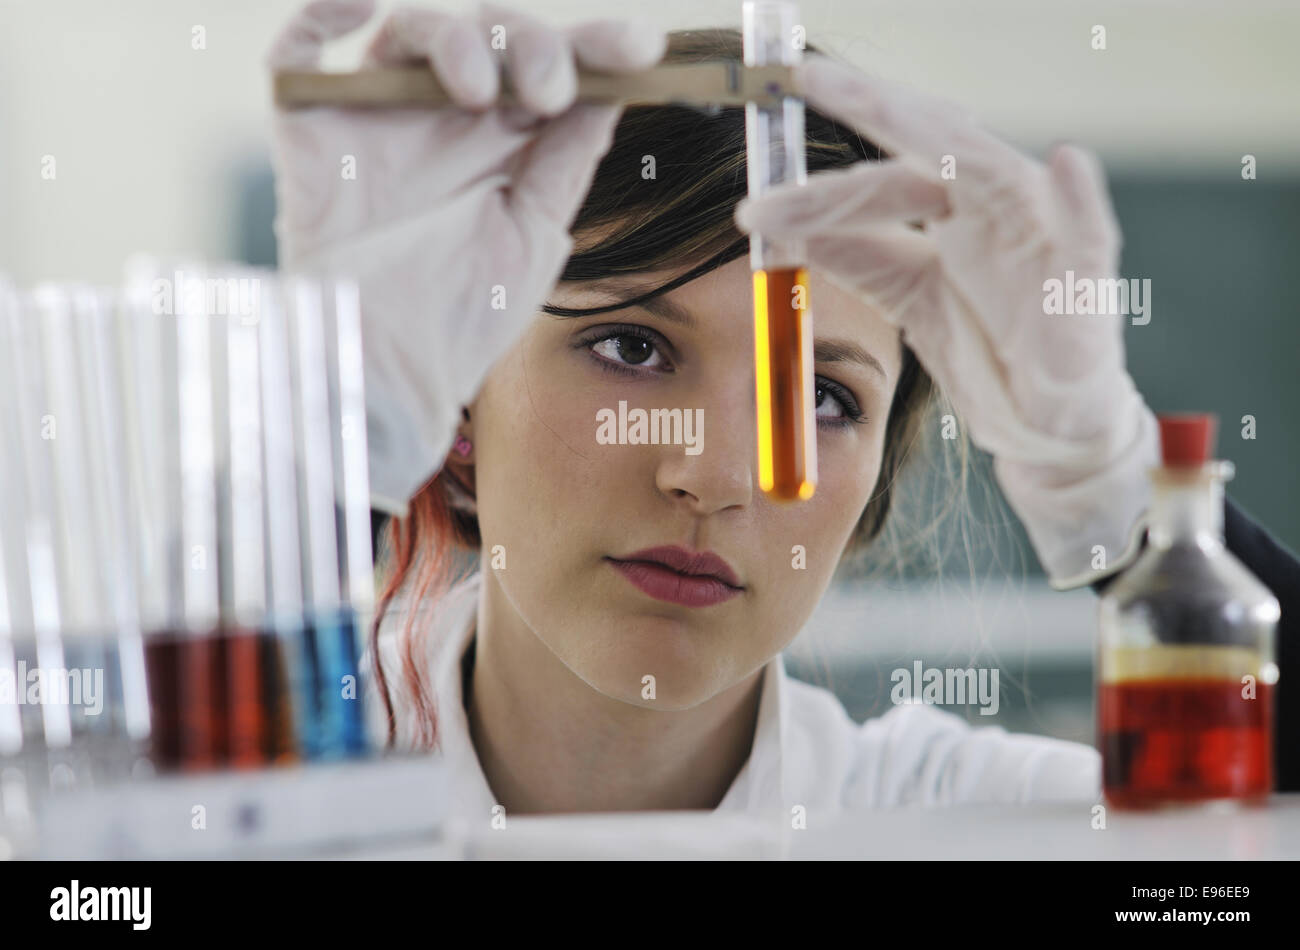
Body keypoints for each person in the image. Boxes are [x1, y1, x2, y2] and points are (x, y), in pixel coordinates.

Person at [267, 0, 1300, 818]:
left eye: (821, 395)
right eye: (632, 347)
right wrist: (342, 444)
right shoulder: (268, 779)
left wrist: (1112, 490)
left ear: (869, 495)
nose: (713, 475)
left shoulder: (957, 824)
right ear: (458, 409)